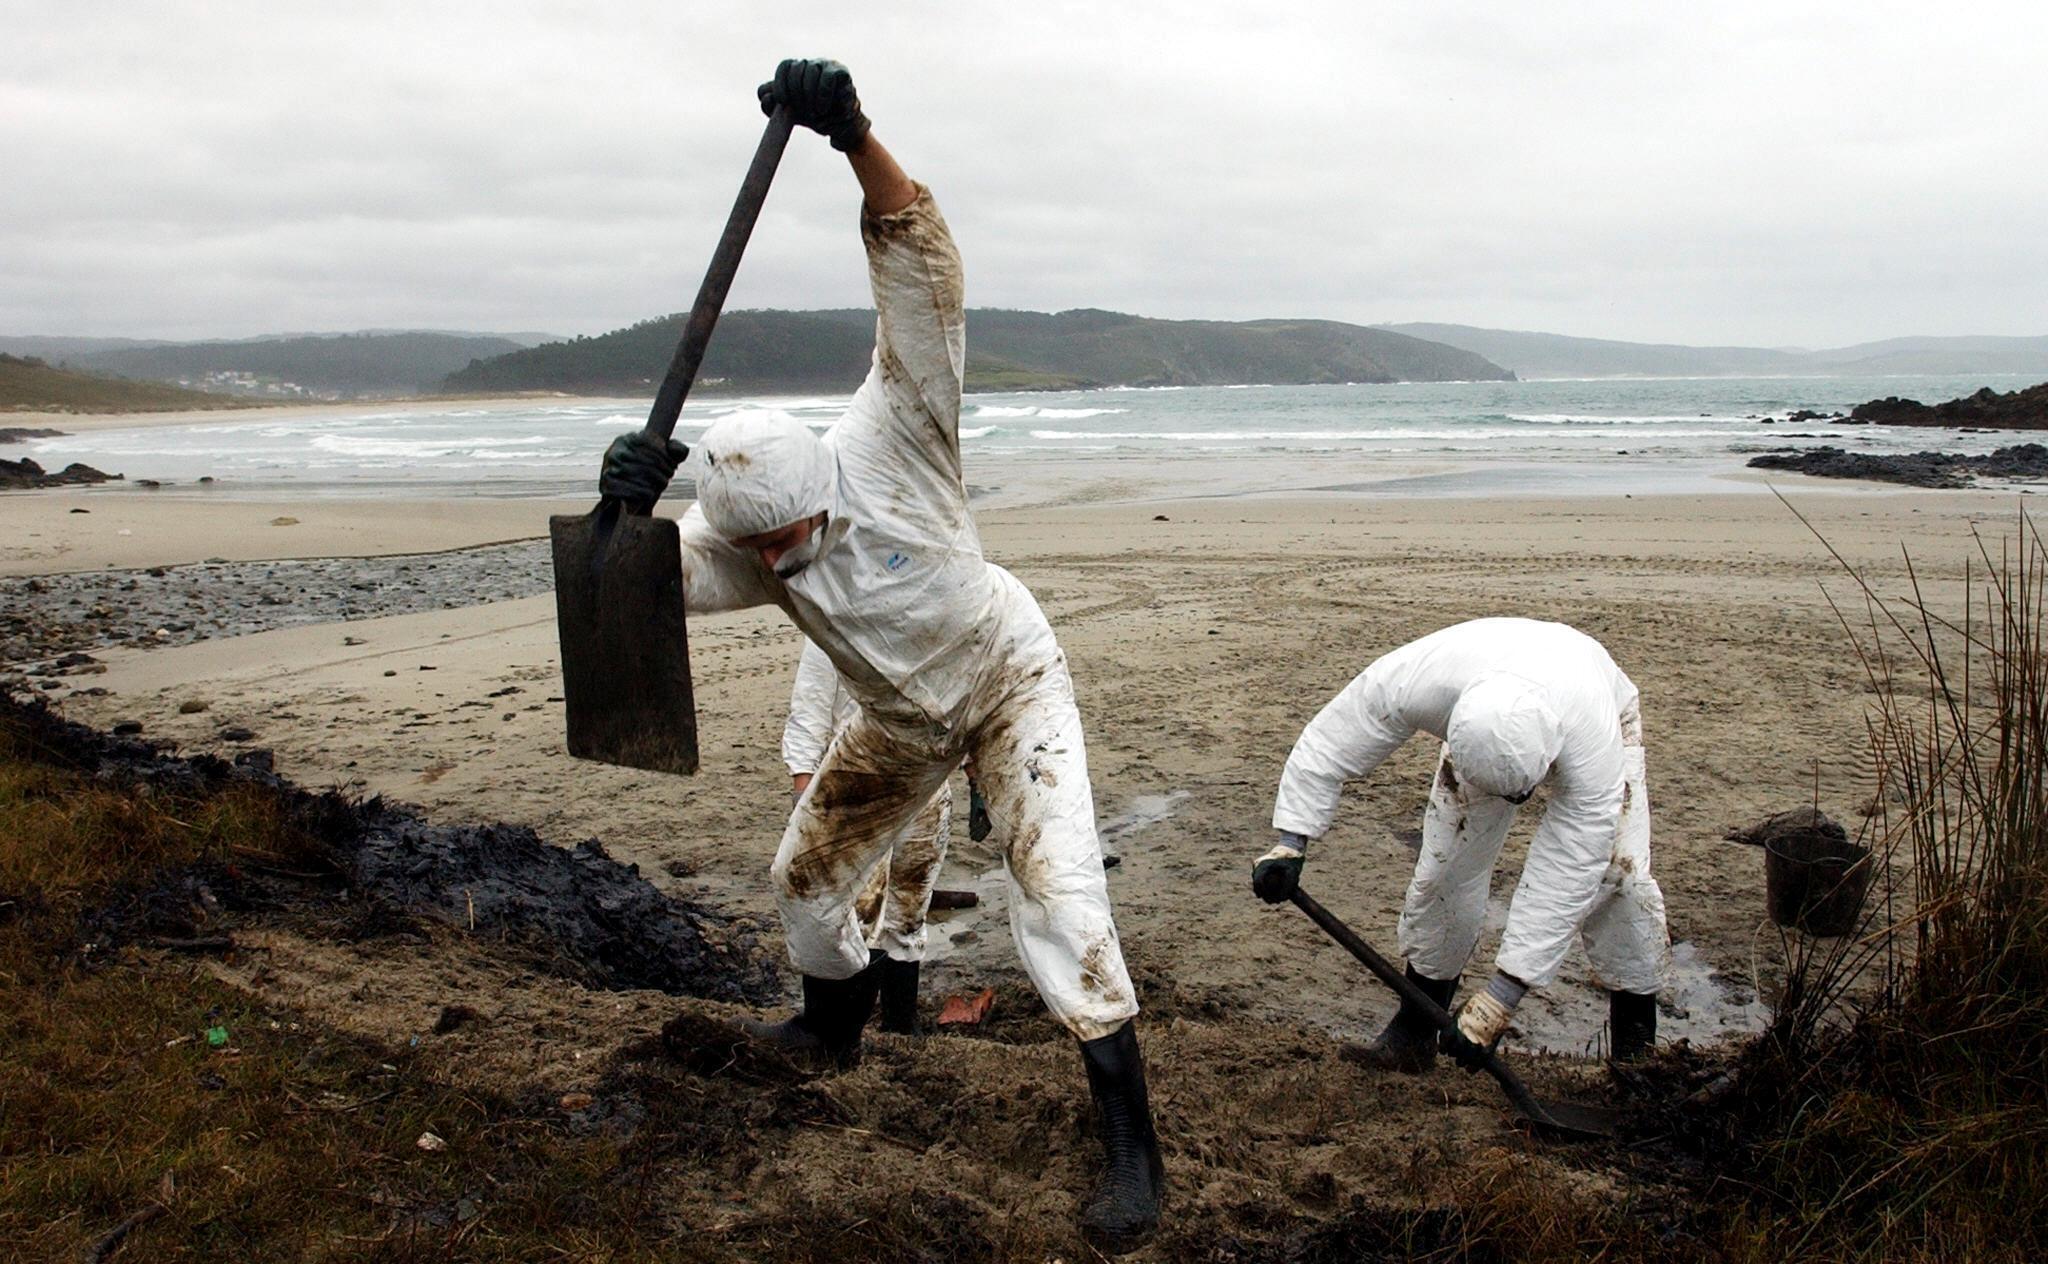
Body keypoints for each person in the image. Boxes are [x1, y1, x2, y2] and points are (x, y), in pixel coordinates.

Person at [598, 59, 1163, 1250]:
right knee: (803, 884)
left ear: (820, 492)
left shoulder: (892, 432)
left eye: (800, 540)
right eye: (767, 553)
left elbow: (921, 267)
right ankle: (832, 1023)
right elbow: (649, 587)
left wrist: (853, 135)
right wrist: (628, 509)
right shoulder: (744, 540)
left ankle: (1128, 1140)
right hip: (898, 723)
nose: (788, 565)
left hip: (1006, 677)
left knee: (1060, 896)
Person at [1250, 617, 1668, 1069]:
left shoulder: (1593, 746)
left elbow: (1569, 866)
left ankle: (1636, 1056)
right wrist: (1291, 843)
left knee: (1618, 878)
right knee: (1446, 868)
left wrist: (1500, 999)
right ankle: (1413, 1032)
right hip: (1488, 720)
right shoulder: (1419, 681)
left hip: (1596, 704)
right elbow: (1330, 742)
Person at [783, 639, 952, 1035]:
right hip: (856, 783)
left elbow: (961, 704)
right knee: (852, 914)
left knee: (908, 911)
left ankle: (900, 1028)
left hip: (927, 784)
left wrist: (977, 773)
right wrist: (805, 800)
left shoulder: (933, 622)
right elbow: (809, 712)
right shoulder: (830, 625)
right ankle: (837, 1035)